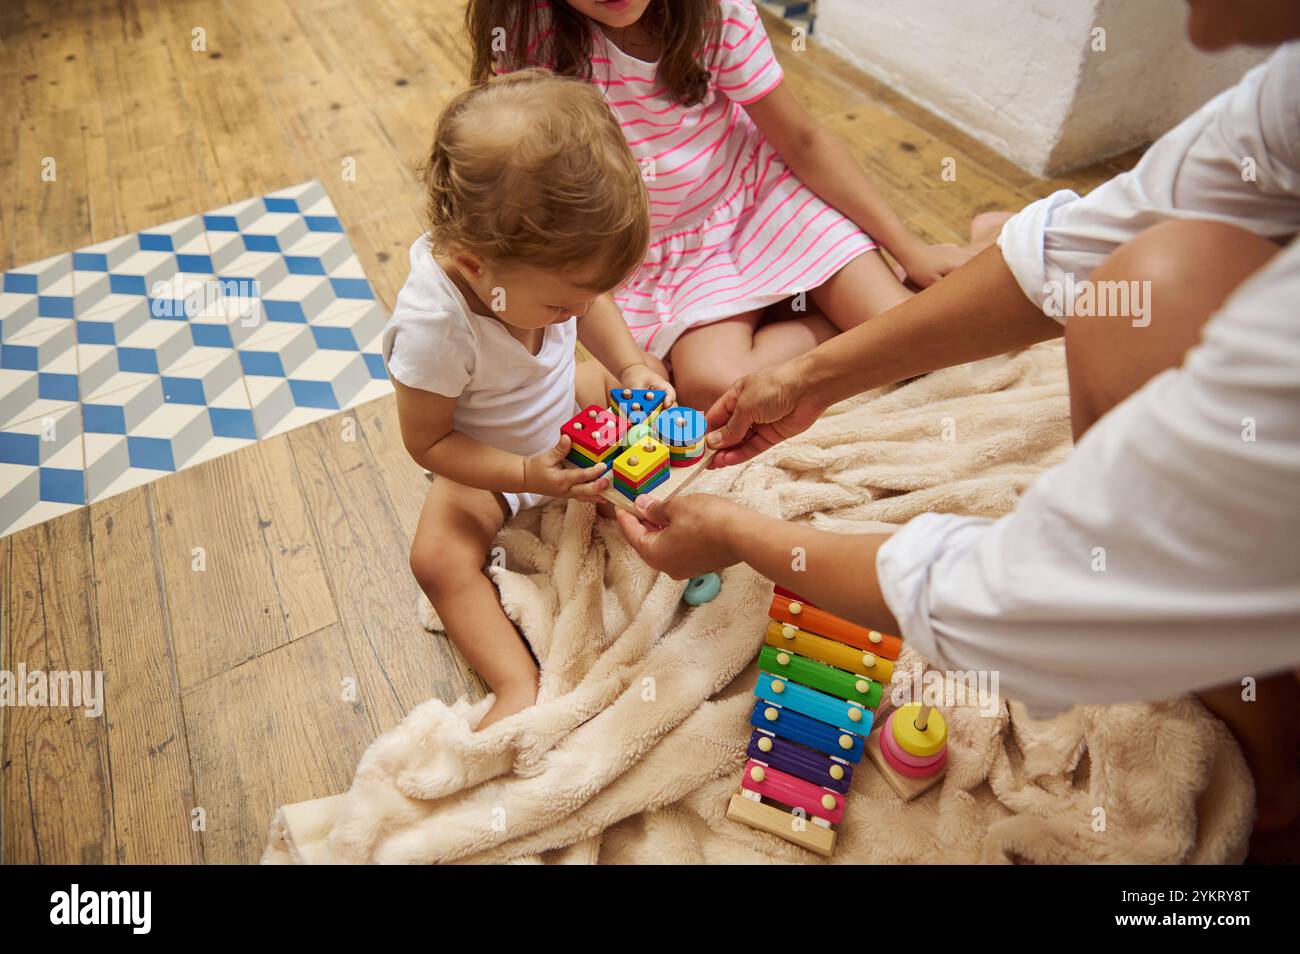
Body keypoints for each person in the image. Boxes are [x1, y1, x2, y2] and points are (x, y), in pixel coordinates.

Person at [617, 0, 1300, 831]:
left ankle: (1278, 795)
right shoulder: (1284, 99)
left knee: (1144, 300)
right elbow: (1077, 251)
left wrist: (741, 536)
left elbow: (1028, 598)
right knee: (1150, 279)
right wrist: (813, 376)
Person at [466, 0, 1005, 410]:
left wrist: (910, 251)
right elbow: (557, 221)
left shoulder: (714, 11)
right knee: (712, 386)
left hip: (759, 199)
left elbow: (804, 142)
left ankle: (987, 243)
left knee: (912, 337)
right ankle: (821, 307)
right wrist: (627, 355)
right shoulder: (526, 36)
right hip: (658, 254)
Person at [386, 72, 673, 729]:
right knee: (435, 558)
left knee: (648, 376)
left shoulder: (546, 272)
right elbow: (428, 444)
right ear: (474, 262)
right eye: (561, 304)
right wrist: (523, 474)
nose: (576, 312)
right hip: (493, 460)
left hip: (570, 404)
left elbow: (592, 301)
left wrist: (628, 364)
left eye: (584, 296)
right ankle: (517, 684)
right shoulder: (432, 327)